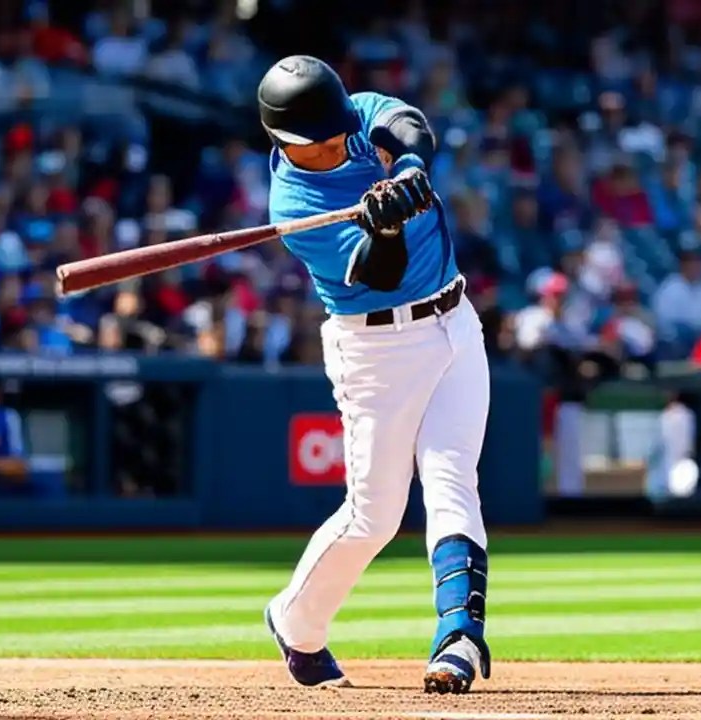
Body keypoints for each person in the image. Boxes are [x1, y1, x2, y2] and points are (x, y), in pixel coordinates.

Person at [257, 56, 489, 695]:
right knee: (374, 515)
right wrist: (382, 224)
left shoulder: (348, 114)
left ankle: (459, 635)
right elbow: (380, 273)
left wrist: (410, 170)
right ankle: (295, 622)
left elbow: (409, 125)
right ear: (286, 142)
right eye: (325, 142)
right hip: (377, 350)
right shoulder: (294, 206)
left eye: (339, 131)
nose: (341, 145)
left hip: (454, 318)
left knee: (451, 477)